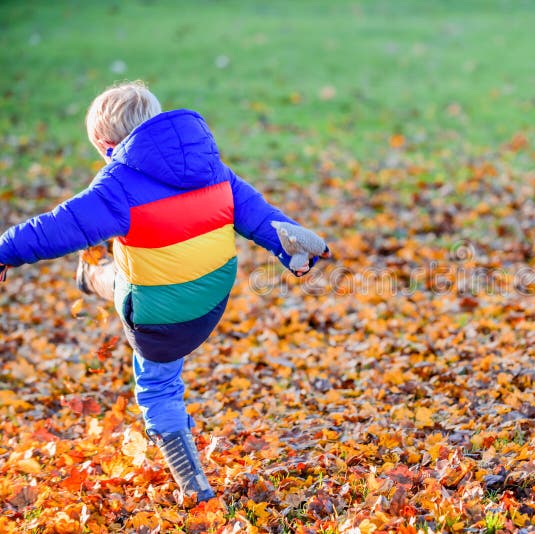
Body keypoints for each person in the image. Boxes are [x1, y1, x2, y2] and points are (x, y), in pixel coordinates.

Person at [0, 81, 330, 504]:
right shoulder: (209, 165)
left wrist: (5, 250)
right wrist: (289, 252)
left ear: (106, 144)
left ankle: (193, 485)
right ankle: (92, 276)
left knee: (157, 386)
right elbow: (256, 213)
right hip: (210, 298)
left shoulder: (115, 186)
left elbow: (56, 227)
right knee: (125, 274)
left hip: (160, 314)